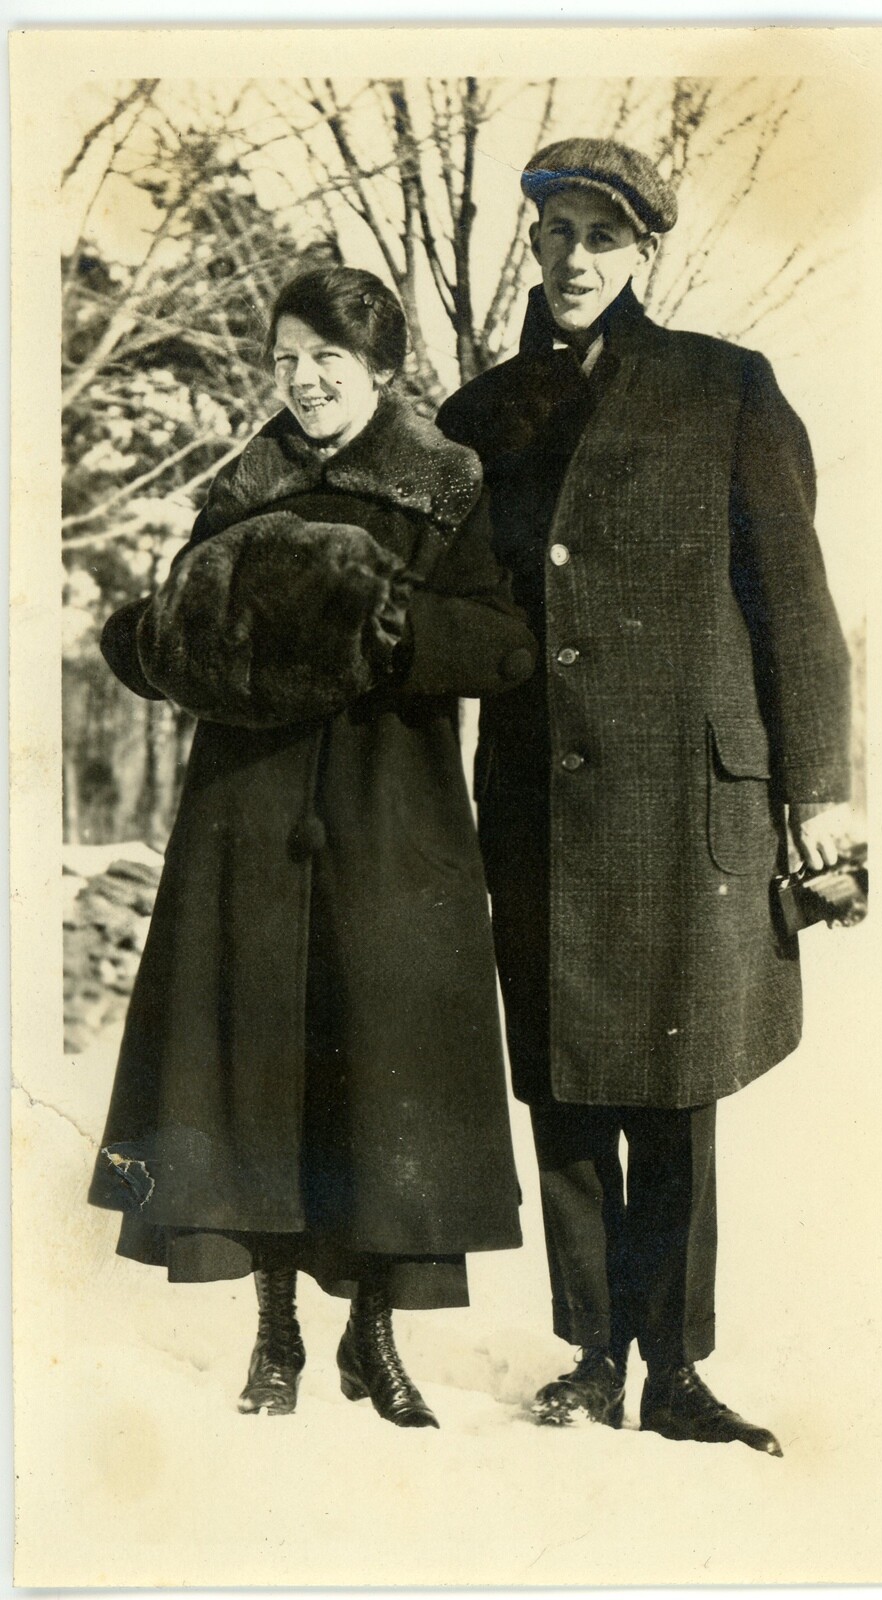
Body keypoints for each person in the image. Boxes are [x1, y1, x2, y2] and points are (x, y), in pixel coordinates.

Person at [437, 137, 851, 1455]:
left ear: (640, 253)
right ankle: (588, 1357)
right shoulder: (481, 415)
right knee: (559, 1083)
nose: (571, 260)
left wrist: (817, 796)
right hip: (536, 794)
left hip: (682, 801)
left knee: (670, 1092)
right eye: (554, 234)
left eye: (598, 238)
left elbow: (793, 603)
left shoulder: (722, 389)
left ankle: (671, 1368)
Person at [89, 264, 537, 1430]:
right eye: (285, 362)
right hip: (246, 820)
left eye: (327, 363)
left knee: (382, 1070)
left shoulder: (444, 486)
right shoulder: (240, 489)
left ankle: (371, 1338)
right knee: (261, 1070)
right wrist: (169, 636)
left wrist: (378, 623)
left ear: (382, 371)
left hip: (392, 826)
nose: (302, 382)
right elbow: (158, 636)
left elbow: (502, 647)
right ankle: (275, 1332)